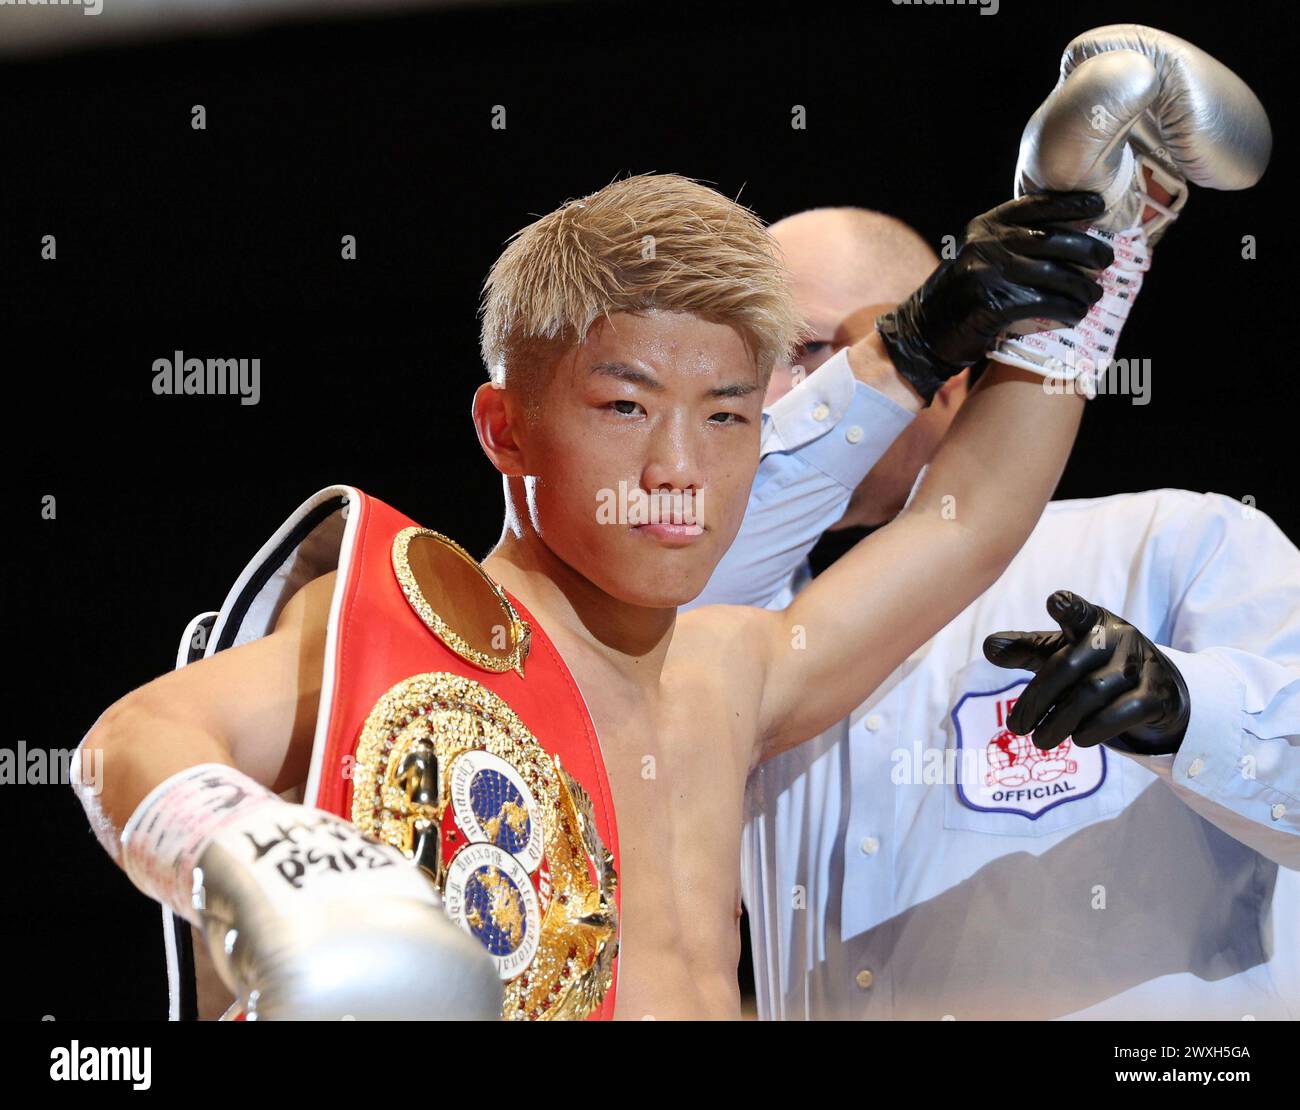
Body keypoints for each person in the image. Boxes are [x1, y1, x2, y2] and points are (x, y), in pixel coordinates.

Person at [72, 153, 1113, 1018]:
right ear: (504, 429)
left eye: (725, 416)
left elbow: (968, 520)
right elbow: (130, 740)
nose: (678, 468)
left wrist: (1095, 248)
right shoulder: (413, 635)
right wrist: (265, 861)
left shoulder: (730, 670)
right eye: (624, 408)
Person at [688, 25, 1294, 1021]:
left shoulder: (1173, 542)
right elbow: (682, 557)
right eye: (738, 373)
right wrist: (896, 351)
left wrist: (1192, 713)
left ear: (960, 364)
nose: (775, 399)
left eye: (803, 352)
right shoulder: (727, 617)